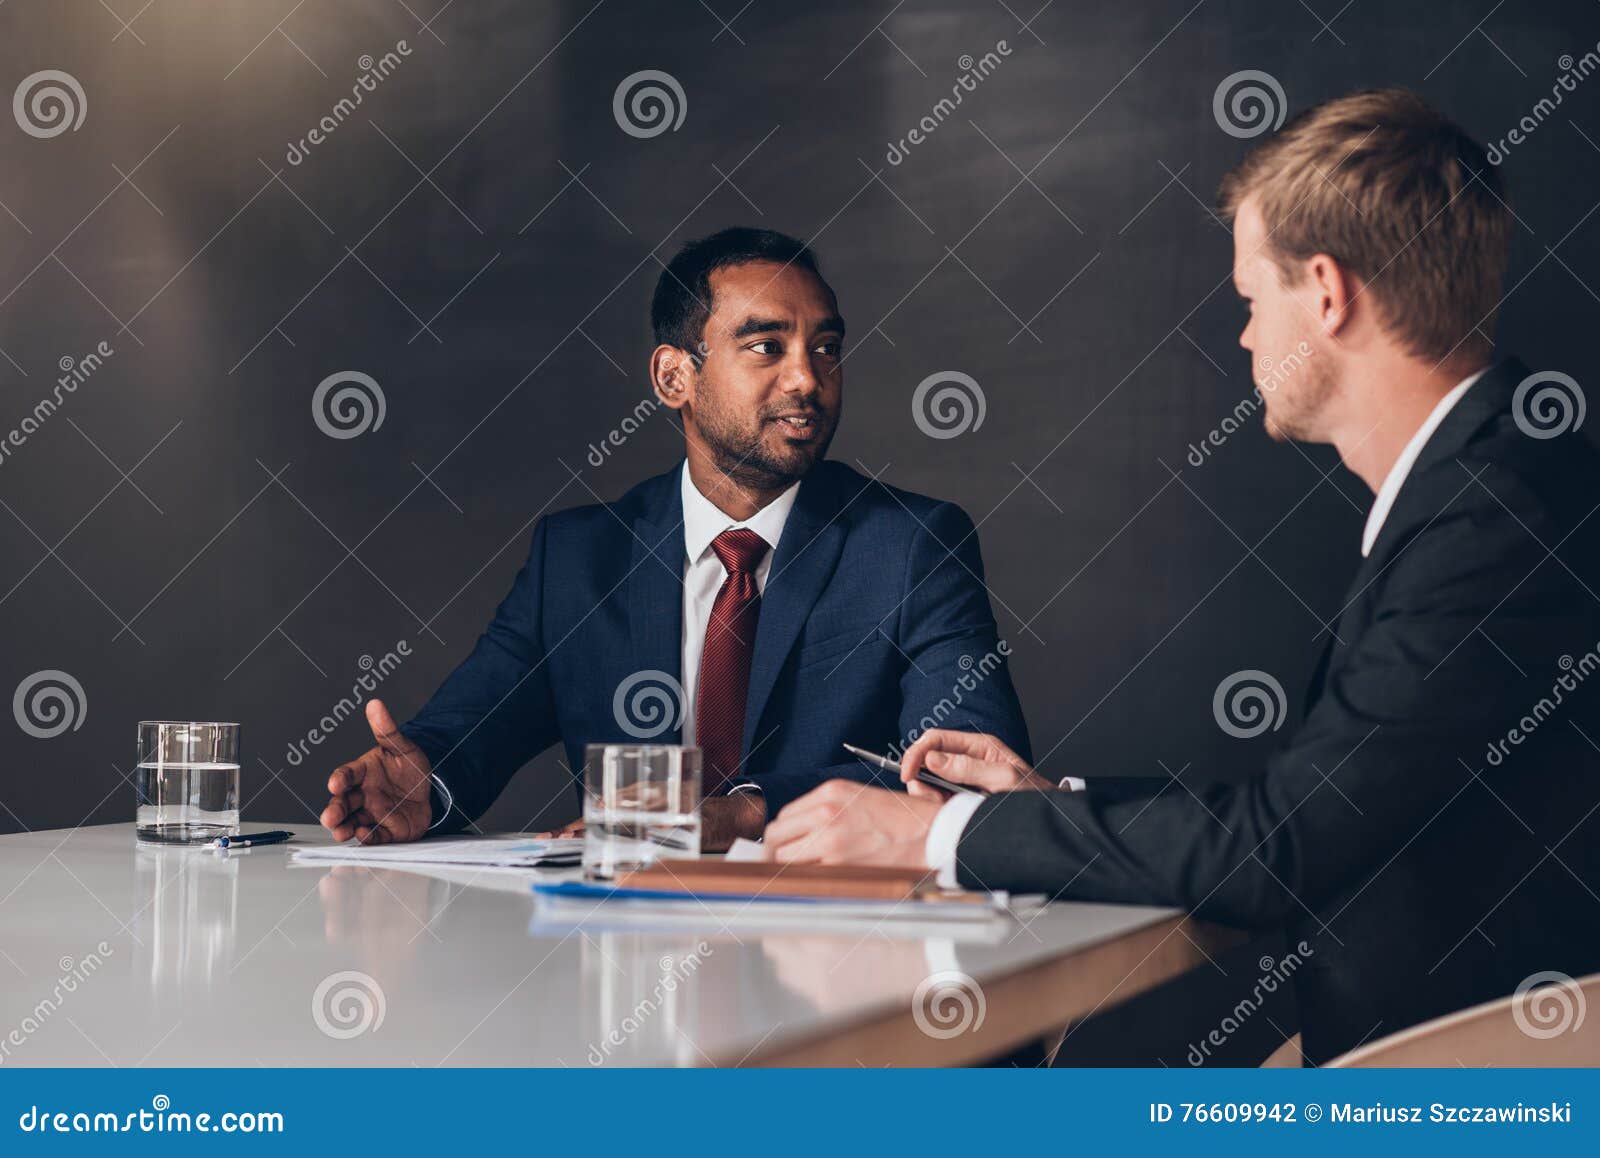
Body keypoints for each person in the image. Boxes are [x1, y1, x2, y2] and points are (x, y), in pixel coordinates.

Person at [763, 90, 1600, 1063]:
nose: (1244, 338)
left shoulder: (1491, 523)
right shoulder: (1498, 489)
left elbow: (1277, 851)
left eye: (1251, 300)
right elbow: (1312, 806)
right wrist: (1040, 805)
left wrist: (939, 836)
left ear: (1325, 294)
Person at [319, 228, 1029, 851]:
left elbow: (969, 765)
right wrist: (426, 784)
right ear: (674, 377)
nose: (808, 378)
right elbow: (473, 730)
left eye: (826, 348)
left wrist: (743, 813)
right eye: (766, 347)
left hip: (834, 947)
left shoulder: (912, 546)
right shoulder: (577, 558)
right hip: (628, 959)